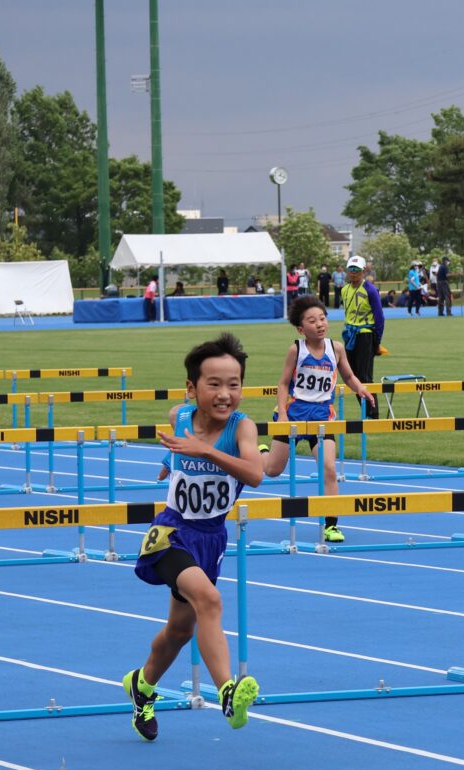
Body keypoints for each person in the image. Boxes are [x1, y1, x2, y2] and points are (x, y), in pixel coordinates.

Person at [124, 332, 263, 740]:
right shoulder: (179, 416)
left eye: (233, 384)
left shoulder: (242, 428)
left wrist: (206, 453)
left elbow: (255, 474)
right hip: (170, 532)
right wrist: (172, 460)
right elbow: (181, 442)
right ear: (192, 387)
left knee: (179, 632)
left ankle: (141, 686)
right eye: (214, 384)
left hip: (210, 538)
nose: (225, 394)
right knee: (210, 600)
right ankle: (227, 692)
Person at [259, 296, 374, 544]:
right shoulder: (296, 350)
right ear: (301, 329)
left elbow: (349, 376)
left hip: (322, 417)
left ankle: (331, 525)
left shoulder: (337, 348)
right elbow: (283, 383)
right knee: (272, 470)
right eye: (312, 321)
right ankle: (262, 451)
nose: (320, 324)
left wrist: (360, 389)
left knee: (329, 469)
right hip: (294, 415)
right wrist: (282, 414)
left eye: (322, 318)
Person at [340, 255, 384, 419]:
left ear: (364, 271)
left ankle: (373, 414)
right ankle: (366, 411)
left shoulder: (370, 290)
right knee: (350, 376)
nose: (353, 272)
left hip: (365, 335)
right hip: (350, 335)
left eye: (357, 270)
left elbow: (379, 317)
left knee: (365, 376)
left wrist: (376, 342)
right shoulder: (344, 290)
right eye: (351, 269)